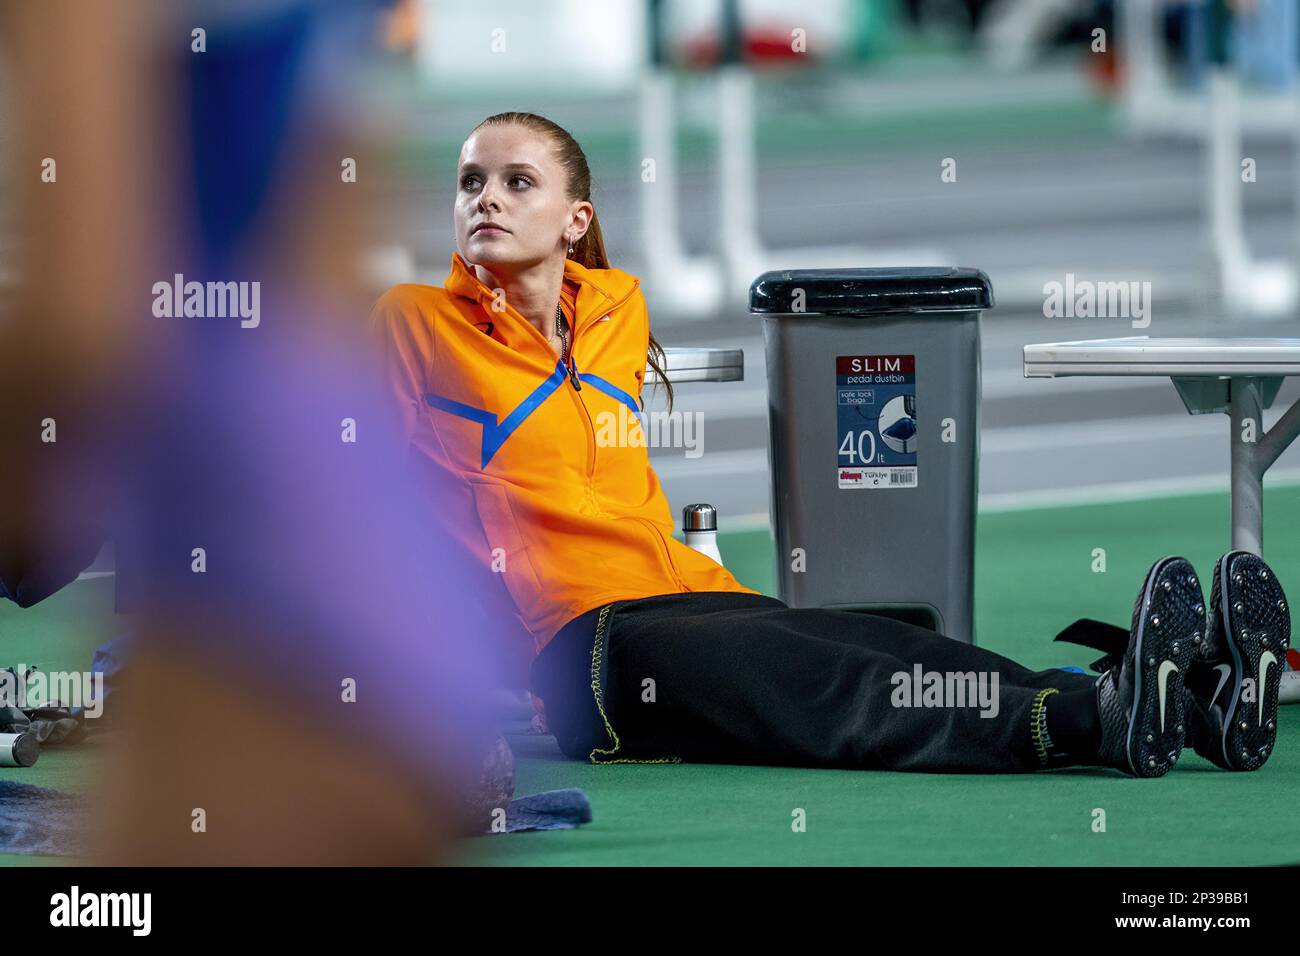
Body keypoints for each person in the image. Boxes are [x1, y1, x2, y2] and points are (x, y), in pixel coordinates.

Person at [369, 111, 1291, 779]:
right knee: (828, 686)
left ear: (576, 220)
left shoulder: (614, 312)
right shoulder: (414, 324)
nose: (485, 198)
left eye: (516, 181)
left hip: (689, 593)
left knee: (879, 645)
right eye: (469, 183)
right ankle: (1091, 719)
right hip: (580, 653)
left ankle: (1189, 700)